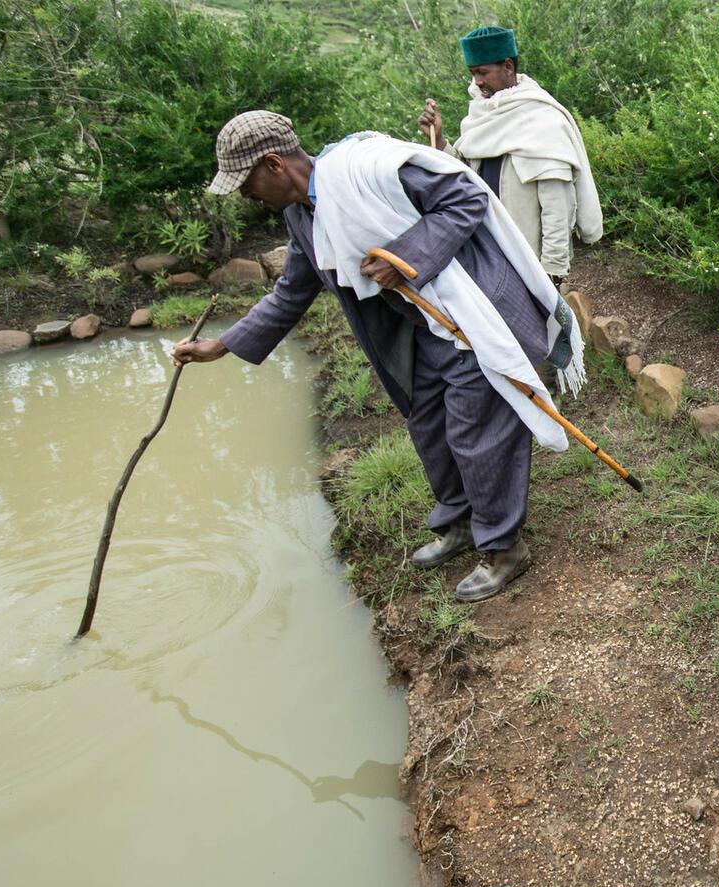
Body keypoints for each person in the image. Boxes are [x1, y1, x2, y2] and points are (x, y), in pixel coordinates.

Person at [174, 110, 583, 601]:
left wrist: (404, 260)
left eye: (246, 182)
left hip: (473, 310)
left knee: (477, 430)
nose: (246, 195)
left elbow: (466, 196)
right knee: (428, 422)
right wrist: (220, 346)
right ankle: (458, 524)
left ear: (274, 164)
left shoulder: (370, 169)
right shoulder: (302, 212)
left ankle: (502, 549)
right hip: (419, 326)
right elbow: (292, 291)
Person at [416, 25, 602, 288]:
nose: (477, 82)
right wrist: (440, 138)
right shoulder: (480, 116)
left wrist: (553, 269)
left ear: (507, 67)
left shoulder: (543, 120)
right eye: (472, 74)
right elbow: (466, 177)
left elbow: (558, 204)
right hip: (484, 252)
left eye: (483, 72)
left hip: (529, 261)